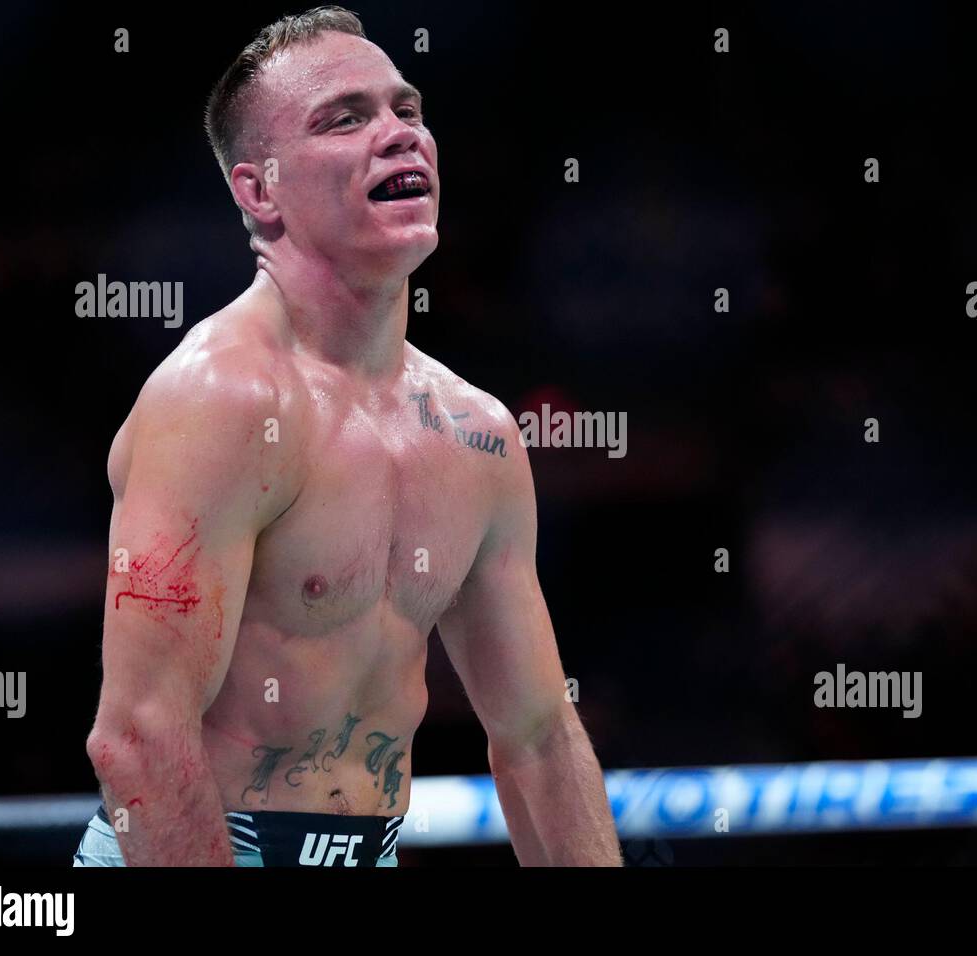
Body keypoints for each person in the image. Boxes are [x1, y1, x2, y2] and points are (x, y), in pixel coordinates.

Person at [74, 5, 621, 867]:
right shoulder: (220, 399)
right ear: (260, 190)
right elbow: (138, 738)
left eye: (407, 110)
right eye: (345, 118)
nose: (400, 135)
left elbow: (539, 736)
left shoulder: (475, 433)